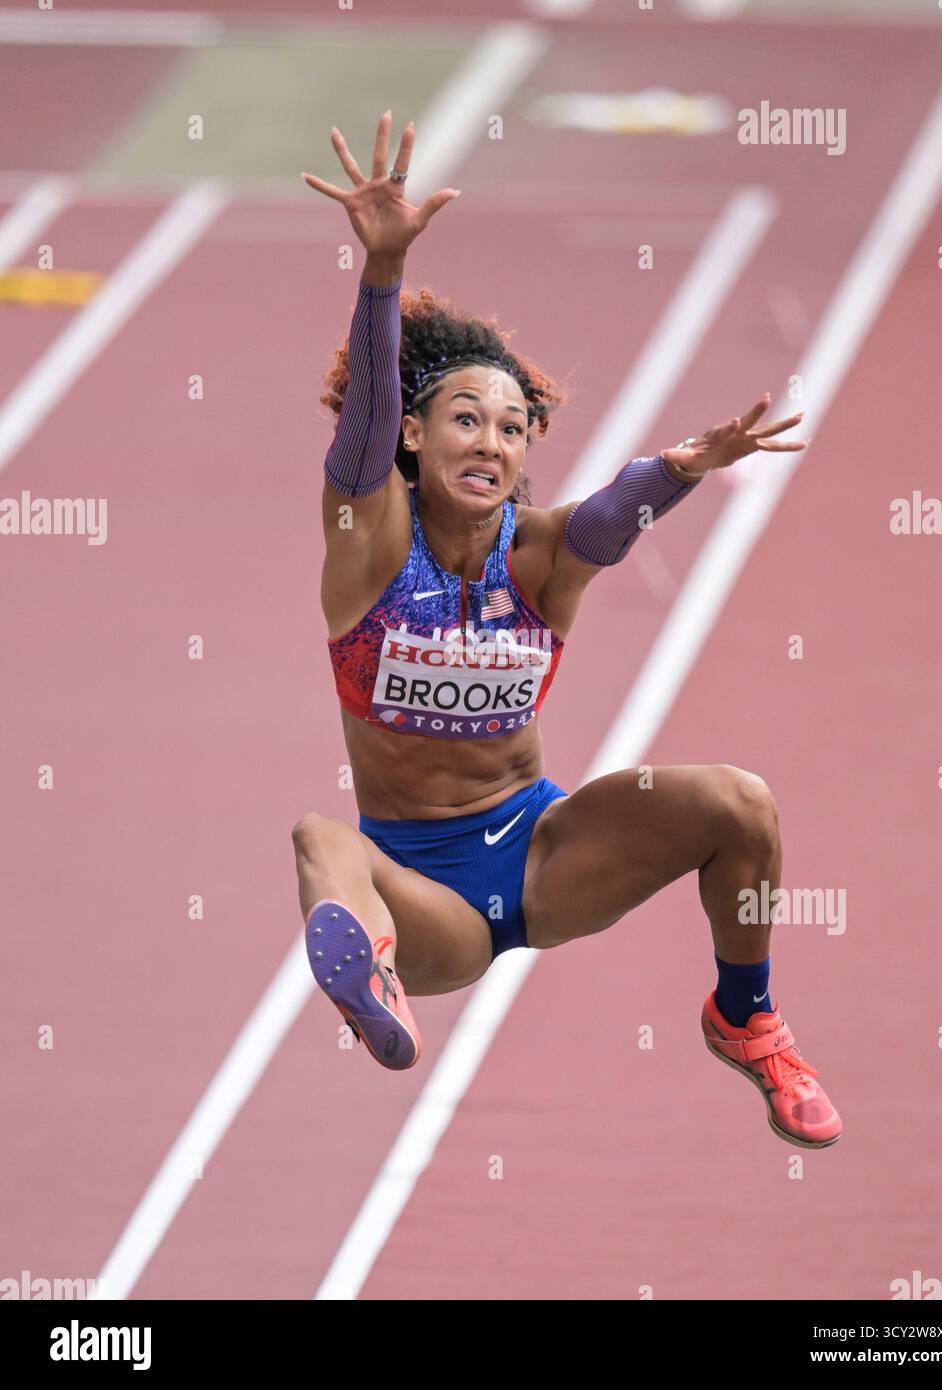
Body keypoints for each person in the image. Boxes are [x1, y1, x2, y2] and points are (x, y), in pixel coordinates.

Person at [295, 111, 842, 1148]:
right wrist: (380, 276)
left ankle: (745, 1016)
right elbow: (358, 432)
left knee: (738, 802)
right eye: (464, 417)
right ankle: (368, 972)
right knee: (316, 836)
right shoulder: (366, 546)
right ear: (413, 436)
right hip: (425, 898)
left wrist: (684, 465)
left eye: (511, 427)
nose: (490, 441)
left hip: (547, 858)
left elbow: (606, 516)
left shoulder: (540, 557)